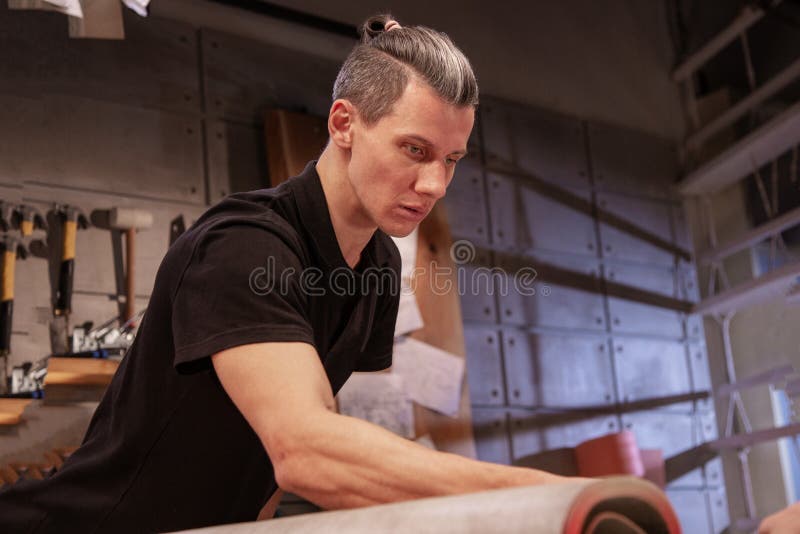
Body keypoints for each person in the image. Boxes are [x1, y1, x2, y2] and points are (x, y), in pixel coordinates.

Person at [0, 14, 576, 533]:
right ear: (344, 123)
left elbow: (270, 463)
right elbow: (305, 449)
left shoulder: (378, 266)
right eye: (415, 150)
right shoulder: (246, 246)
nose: (435, 186)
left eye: (451, 160)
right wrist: (551, 496)